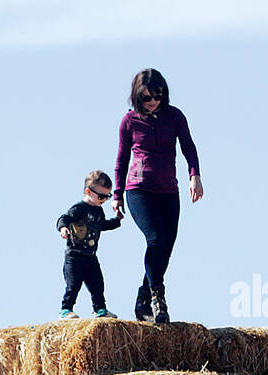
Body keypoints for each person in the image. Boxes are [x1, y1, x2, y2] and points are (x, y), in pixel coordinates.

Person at [112, 69, 202, 324]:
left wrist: (194, 175)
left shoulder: (174, 117)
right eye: (147, 96)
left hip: (168, 191)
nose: (153, 100)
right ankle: (157, 298)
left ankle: (142, 298)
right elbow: (121, 158)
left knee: (165, 247)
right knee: (155, 238)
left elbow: (188, 146)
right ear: (137, 96)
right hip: (139, 189)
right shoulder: (129, 121)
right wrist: (117, 194)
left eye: (158, 95)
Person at [57, 170, 123, 318]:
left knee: (97, 284)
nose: (104, 199)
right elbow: (64, 218)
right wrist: (63, 228)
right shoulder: (79, 209)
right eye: (101, 196)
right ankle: (65, 309)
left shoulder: (98, 211)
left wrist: (116, 221)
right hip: (74, 256)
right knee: (73, 285)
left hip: (91, 256)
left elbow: (101, 225)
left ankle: (100, 309)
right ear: (88, 191)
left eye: (108, 196)